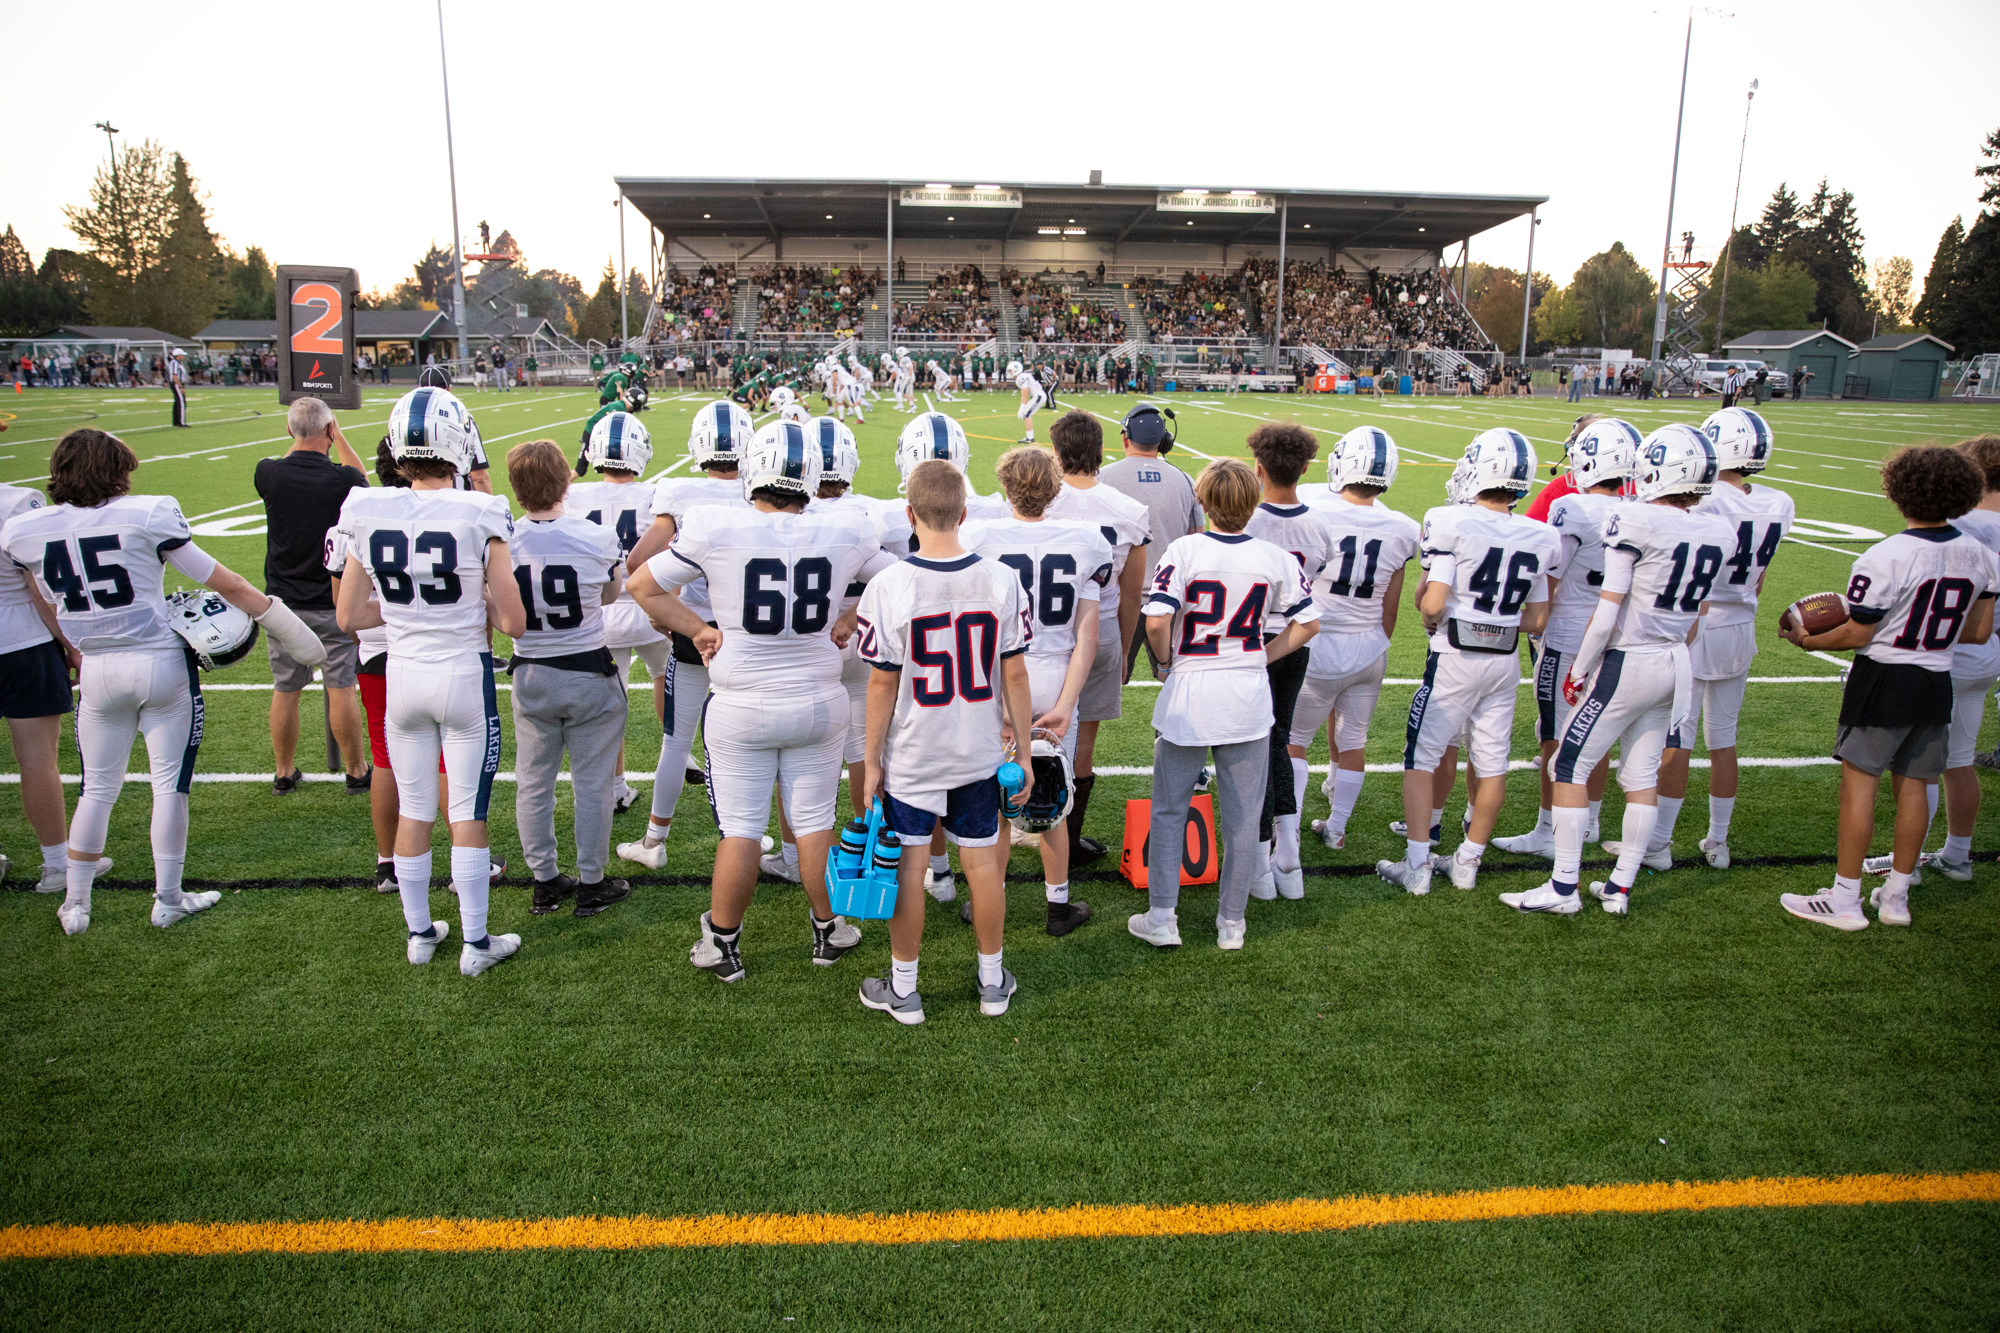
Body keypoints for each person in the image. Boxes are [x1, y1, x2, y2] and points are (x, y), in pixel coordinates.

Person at [3, 429, 327, 935]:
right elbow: (228, 583)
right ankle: (169, 899)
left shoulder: (28, 529)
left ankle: (77, 903)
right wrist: (293, 633)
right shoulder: (148, 515)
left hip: (97, 670)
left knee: (97, 790)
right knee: (168, 789)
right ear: (117, 470)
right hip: (158, 664)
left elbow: (40, 594)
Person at [631, 421, 893, 982]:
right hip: (819, 702)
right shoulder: (846, 529)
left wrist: (697, 629)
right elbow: (898, 581)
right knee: (817, 822)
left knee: (743, 829)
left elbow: (641, 586)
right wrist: (850, 618)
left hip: (742, 703)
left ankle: (724, 945)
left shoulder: (715, 525)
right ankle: (830, 929)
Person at [1500, 426, 1734, 916]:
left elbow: (1606, 608)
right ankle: (1620, 886)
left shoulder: (1629, 518)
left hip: (1620, 656)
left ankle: (1563, 887)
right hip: (1676, 660)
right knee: (1641, 773)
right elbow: (1700, 612)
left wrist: (1582, 667)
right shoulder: (1717, 527)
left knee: (1566, 763)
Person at [334, 388, 527, 975]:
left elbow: (348, 617)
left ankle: (420, 934)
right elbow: (513, 621)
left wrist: (402, 614)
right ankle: (475, 943)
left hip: (402, 676)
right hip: (462, 674)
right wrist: (474, 609)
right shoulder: (480, 510)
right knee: (466, 810)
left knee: (415, 807)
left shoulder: (367, 508)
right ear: (458, 445)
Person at [1776, 445, 1994, 931]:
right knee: (1915, 787)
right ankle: (1895, 898)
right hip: (1937, 677)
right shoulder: (1980, 555)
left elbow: (1857, 633)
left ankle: (1845, 899)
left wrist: (1806, 640)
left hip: (1884, 677)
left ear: (1898, 492)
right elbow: (1979, 632)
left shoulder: (1886, 555)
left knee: (1859, 788)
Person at [853, 459, 1036, 1024]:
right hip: (977, 750)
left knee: (909, 868)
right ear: (963, 513)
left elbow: (882, 681)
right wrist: (1024, 753)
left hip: (913, 752)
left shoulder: (889, 584)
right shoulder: (1000, 578)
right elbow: (1015, 675)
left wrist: (871, 758)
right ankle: (990, 982)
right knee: (982, 866)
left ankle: (905, 988)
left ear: (910, 515)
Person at [1134, 459, 1319, 950]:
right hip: (1245, 692)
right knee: (1242, 814)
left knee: (1170, 809)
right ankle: (1231, 923)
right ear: (1251, 502)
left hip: (1192, 690)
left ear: (1205, 501)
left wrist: (1167, 659)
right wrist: (1263, 654)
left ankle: (1163, 917)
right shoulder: (1275, 557)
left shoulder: (1185, 549)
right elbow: (1307, 624)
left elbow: (1156, 622)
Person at [1378, 429, 1561, 896]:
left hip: (1455, 659)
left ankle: (1417, 865)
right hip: (1503, 665)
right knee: (1491, 762)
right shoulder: (1541, 534)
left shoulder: (1450, 521)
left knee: (1421, 757)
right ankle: (1467, 862)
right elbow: (1538, 619)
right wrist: (1496, 624)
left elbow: (1434, 603)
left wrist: (1438, 608)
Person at [964, 447, 1113, 937]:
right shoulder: (1086, 540)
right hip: (1053, 674)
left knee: (997, 796)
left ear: (1006, 486)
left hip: (997, 676)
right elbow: (1086, 636)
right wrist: (1067, 704)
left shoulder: (979, 537)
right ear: (1055, 487)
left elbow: (973, 629)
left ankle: (992, 897)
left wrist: (993, 704)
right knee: (1051, 794)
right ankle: (1057, 906)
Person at [1641, 407, 1794, 868]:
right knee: (1723, 739)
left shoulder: (1706, 502)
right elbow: (1760, 579)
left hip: (1699, 620)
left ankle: (1659, 844)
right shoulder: (1778, 502)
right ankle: (1718, 841)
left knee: (1679, 739)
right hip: (1742, 623)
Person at [618, 401, 756, 868]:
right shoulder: (759, 490)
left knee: (678, 741)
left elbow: (638, 564)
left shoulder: (679, 492)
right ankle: (744, 838)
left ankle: (654, 842)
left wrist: (665, 616)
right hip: (747, 634)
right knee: (741, 743)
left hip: (695, 634)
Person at [504, 440, 631, 918]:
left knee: (533, 782)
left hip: (531, 671)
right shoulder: (595, 535)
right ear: (565, 480)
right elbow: (612, 595)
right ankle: (592, 882)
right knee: (593, 783)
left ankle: (544, 881)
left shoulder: (504, 538)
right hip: (587, 670)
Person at [1294, 427, 1420, 853]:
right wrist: (1372, 644)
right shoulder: (1404, 528)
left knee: (1295, 741)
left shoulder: (1316, 512)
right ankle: (1336, 828)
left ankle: (1287, 831)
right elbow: (1390, 609)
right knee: (1354, 741)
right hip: (1369, 645)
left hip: (1319, 644)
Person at [1046, 411, 1151, 866]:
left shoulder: (1039, 502)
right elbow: (1133, 595)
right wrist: (1125, 649)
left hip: (1045, 635)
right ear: (1101, 453)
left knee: (1020, 733)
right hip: (1102, 630)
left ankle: (1025, 828)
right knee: (1081, 741)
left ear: (1056, 454)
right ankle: (1066, 843)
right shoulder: (1129, 510)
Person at [254, 397, 371, 796]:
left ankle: (283, 771)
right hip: (329, 599)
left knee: (286, 688)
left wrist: (304, 434)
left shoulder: (269, 474)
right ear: (329, 431)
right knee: (340, 686)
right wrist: (336, 437)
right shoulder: (343, 480)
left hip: (284, 604)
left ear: (289, 432)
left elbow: (287, 460)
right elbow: (361, 477)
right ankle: (356, 769)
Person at [1241, 423, 1336, 899]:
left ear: (1258, 467)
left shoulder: (1249, 521)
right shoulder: (1318, 526)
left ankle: (1262, 863)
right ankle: (1289, 855)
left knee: (1256, 747)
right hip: (1296, 642)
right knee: (1278, 739)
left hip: (1251, 641)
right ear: (1304, 468)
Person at [0, 482, 88, 895]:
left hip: (21, 641)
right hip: (22, 643)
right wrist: (72, 646)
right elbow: (38, 586)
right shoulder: (18, 501)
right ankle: (56, 865)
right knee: (37, 758)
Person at [1100, 404, 1203, 678]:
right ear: (1165, 442)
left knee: (1109, 684)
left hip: (1119, 600)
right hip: (1170, 598)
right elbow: (1197, 540)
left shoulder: (1103, 477)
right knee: (1178, 681)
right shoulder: (1185, 479)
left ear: (1125, 438)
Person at [167, 348, 190, 427]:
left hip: (178, 383)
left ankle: (176, 421)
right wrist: (180, 386)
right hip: (176, 384)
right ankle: (181, 422)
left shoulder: (178, 363)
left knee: (178, 402)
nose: (183, 356)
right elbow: (174, 375)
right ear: (178, 355)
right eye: (181, 355)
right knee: (181, 402)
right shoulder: (174, 363)